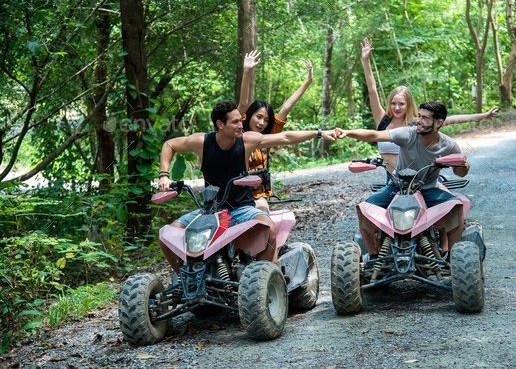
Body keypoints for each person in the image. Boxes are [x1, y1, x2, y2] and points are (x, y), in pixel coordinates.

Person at [158, 100, 335, 275]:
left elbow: (285, 137)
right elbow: (169, 145)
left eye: (240, 120)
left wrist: (319, 133)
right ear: (220, 124)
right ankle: (186, 277)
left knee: (268, 227)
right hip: (211, 211)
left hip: (241, 208)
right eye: (235, 122)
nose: (240, 125)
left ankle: (268, 278)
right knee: (169, 235)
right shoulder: (202, 142)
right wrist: (164, 175)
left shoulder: (247, 141)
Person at [336, 101, 469, 257]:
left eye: (425, 118)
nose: (419, 121)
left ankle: (454, 258)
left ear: (438, 123)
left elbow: (460, 172)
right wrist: (347, 132)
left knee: (456, 208)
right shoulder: (408, 134)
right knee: (365, 209)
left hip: (428, 190)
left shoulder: (449, 145)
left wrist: (463, 165)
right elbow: (375, 135)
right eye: (419, 116)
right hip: (397, 188)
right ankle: (373, 258)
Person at [360, 38, 497, 175]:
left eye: (401, 104)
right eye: (393, 103)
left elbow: (453, 119)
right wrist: (366, 61)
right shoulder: (383, 121)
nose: (396, 107)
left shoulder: (418, 124)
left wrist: (483, 116)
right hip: (394, 182)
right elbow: (372, 91)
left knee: (448, 196)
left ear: (408, 105)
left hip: (420, 181)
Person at [238, 53, 314, 213]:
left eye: (266, 120)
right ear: (250, 115)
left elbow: (286, 107)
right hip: (236, 194)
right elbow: (243, 103)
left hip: (258, 196)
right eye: (258, 117)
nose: (261, 123)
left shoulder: (268, 136)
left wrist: (307, 82)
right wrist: (247, 72)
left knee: (262, 212)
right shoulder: (237, 130)